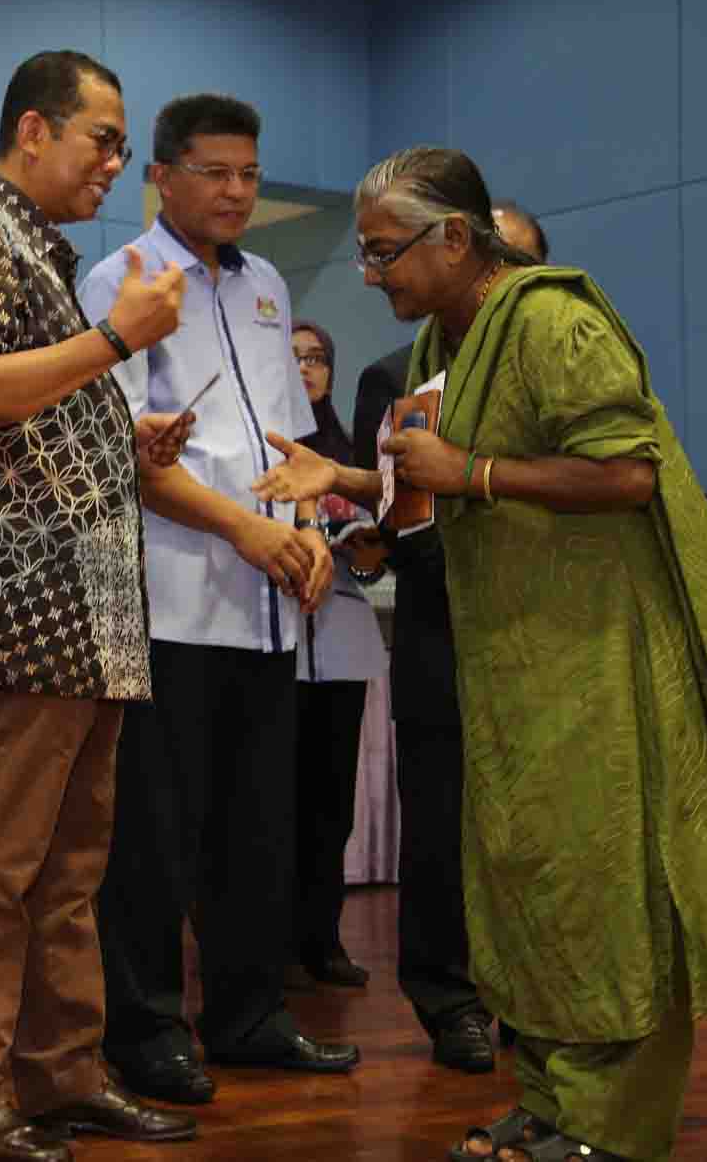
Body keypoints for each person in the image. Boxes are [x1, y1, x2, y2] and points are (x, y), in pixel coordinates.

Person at [261, 147, 707, 1162]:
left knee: (597, 888)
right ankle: (546, 1100)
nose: (369, 275)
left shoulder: (553, 320)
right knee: (521, 883)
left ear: (453, 237)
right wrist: (358, 491)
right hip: (504, 659)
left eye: (381, 253)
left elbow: (627, 472)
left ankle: (606, 1125)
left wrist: (473, 470)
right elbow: (430, 492)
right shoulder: (432, 349)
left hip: (594, 653)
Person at [0, 51, 200, 1162]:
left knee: (72, 867)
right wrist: (119, 339)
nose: (115, 164)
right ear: (32, 131)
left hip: (83, 612)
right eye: (101, 140)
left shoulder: (41, 250)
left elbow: (32, 410)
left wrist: (114, 434)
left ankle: (59, 1073)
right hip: (14, 606)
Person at [76, 94, 356, 1113]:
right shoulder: (120, 281)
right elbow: (124, 454)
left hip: (270, 599)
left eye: (248, 173)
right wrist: (246, 530)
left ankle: (248, 1015)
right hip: (169, 602)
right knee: (155, 833)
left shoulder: (269, 285)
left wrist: (312, 532)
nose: (236, 191)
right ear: (161, 176)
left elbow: (291, 445)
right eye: (214, 172)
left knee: (256, 824)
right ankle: (144, 1031)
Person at [347, 200, 548, 1074]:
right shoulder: (393, 374)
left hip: (544, 631)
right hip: (440, 632)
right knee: (442, 832)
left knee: (541, 834)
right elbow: (395, 518)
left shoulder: (558, 364)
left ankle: (539, 1000)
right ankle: (449, 1001)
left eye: (523, 261)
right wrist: (381, 523)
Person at [284, 320, 387, 994]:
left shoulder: (349, 454)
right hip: (276, 647)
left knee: (330, 805)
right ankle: (264, 944)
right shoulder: (260, 444)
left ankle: (322, 940)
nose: (307, 368)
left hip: (342, 646)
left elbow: (379, 561)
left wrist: (368, 550)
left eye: (318, 356)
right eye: (293, 357)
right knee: (272, 801)